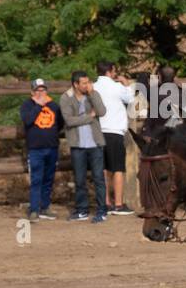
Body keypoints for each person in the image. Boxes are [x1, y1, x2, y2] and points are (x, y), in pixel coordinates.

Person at [60, 72, 108, 223]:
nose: (87, 85)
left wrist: (92, 94)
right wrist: (89, 116)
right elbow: (69, 121)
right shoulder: (66, 98)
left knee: (99, 178)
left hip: (95, 144)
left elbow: (102, 112)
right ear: (75, 84)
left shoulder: (93, 94)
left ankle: (101, 211)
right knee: (80, 180)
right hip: (78, 145)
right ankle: (82, 210)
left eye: (88, 82)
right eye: (84, 83)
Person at [93, 61, 137, 215]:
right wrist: (126, 84)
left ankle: (105, 202)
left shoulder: (93, 87)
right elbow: (130, 99)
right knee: (118, 168)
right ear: (110, 71)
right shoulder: (117, 87)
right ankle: (118, 204)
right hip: (114, 132)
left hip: (97, 131)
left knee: (103, 169)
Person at [20, 80, 63, 221]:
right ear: (32, 92)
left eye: (43, 90)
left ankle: (45, 207)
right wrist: (38, 106)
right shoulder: (27, 105)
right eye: (37, 90)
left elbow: (60, 123)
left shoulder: (54, 106)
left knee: (48, 179)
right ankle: (34, 210)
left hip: (52, 148)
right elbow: (27, 120)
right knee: (36, 179)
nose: (40, 93)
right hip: (35, 149)